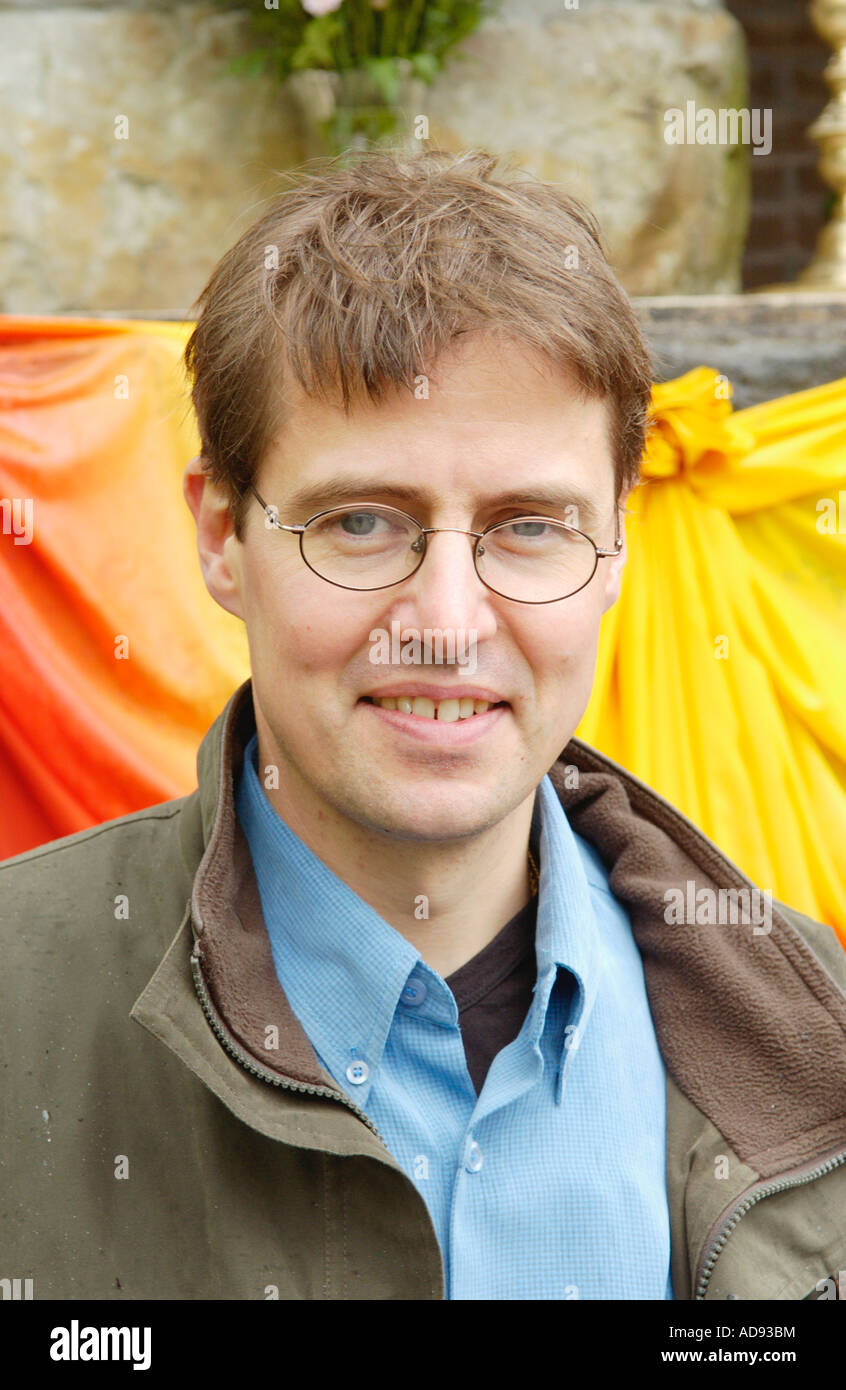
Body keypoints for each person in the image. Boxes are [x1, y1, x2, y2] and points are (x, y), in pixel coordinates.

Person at [2, 148, 845, 1302]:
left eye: (529, 526)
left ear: (617, 551)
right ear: (218, 534)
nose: (447, 627)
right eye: (360, 522)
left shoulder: (815, 1023)